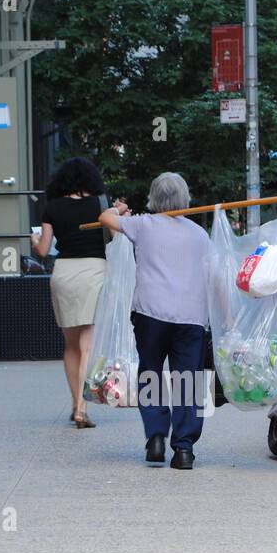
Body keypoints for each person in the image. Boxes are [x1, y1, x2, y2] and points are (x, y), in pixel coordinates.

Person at [98, 172, 210, 470]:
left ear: (154, 198)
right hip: (191, 317)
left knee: (151, 374)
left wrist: (119, 210)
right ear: (184, 198)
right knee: (188, 381)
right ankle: (183, 449)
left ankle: (157, 436)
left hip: (150, 313)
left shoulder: (143, 225)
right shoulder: (200, 234)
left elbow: (105, 218)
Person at [33, 157, 119, 428]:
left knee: (70, 345)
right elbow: (116, 239)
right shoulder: (100, 203)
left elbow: (44, 251)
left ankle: (75, 404)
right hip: (94, 271)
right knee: (87, 344)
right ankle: (82, 407)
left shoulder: (52, 208)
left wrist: (34, 240)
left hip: (64, 274)